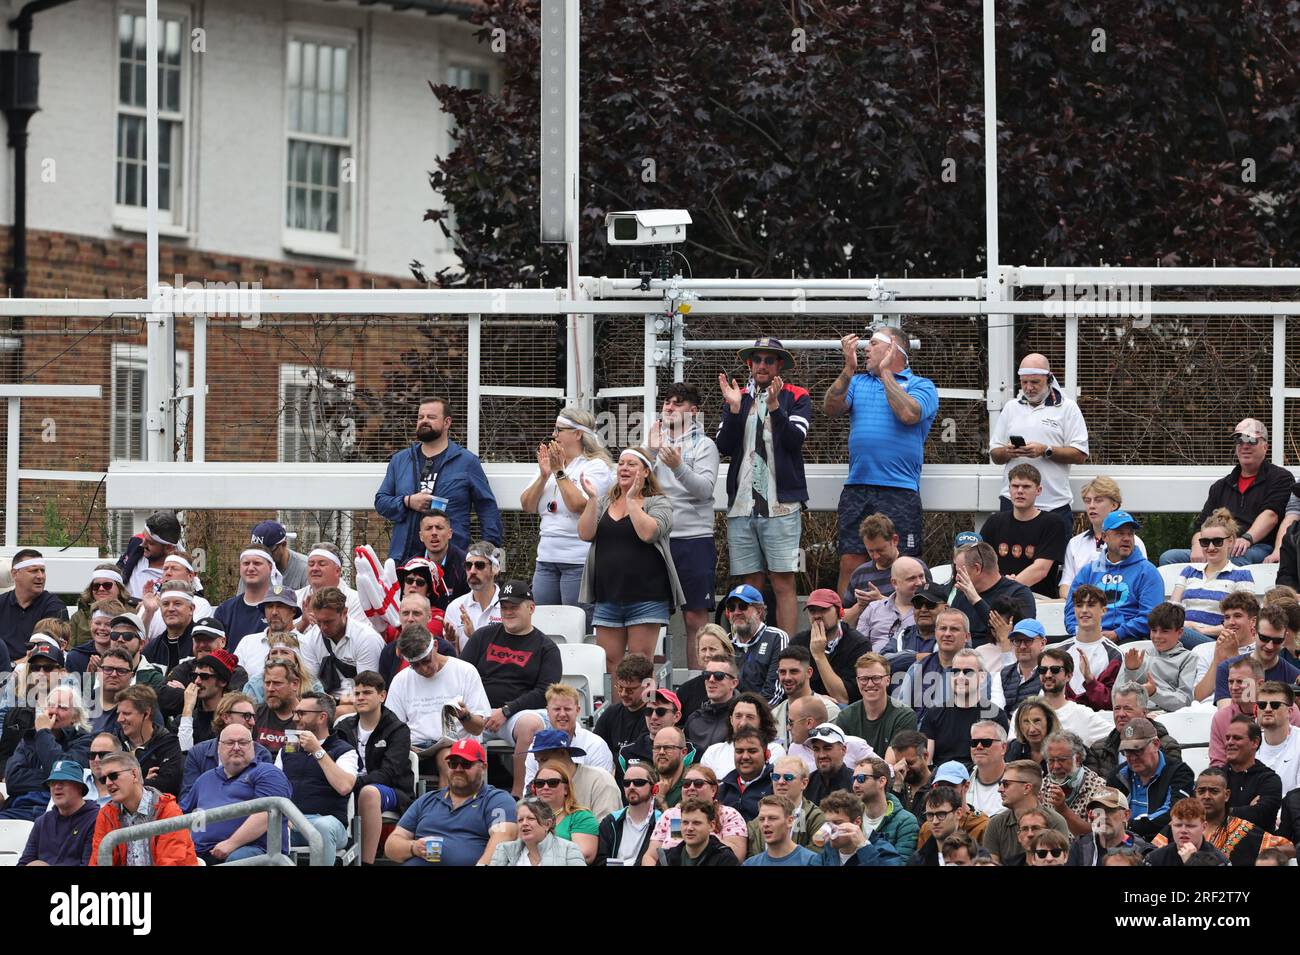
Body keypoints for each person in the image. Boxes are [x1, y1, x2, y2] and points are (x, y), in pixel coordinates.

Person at [824, 327, 937, 595]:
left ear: (893, 349)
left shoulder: (922, 386)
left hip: (899, 490)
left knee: (902, 564)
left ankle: (899, 625)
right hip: (858, 487)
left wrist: (886, 374)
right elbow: (830, 407)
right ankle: (846, 630)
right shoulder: (859, 382)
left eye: (873, 343)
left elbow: (909, 414)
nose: (865, 349)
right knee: (850, 561)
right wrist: (848, 369)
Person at [718, 336, 812, 637]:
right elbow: (724, 445)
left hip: (781, 505)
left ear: (779, 365)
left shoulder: (797, 395)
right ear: (750, 363)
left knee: (784, 581)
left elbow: (795, 441)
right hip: (742, 504)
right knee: (750, 584)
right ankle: (749, 645)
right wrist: (733, 411)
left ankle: (786, 649)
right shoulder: (738, 396)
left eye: (769, 360)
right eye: (757, 359)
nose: (762, 365)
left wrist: (773, 407)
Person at [578, 447, 685, 673]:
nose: (624, 468)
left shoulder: (659, 502)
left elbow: (648, 533)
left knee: (640, 663)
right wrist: (592, 499)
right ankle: (618, 710)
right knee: (611, 664)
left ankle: (644, 709)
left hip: (647, 597)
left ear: (646, 472)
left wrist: (632, 501)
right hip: (608, 596)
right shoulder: (605, 501)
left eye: (631, 464)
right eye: (621, 463)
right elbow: (585, 534)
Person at [374, 396, 504, 562]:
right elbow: (381, 502)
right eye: (420, 417)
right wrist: (407, 501)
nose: (424, 421)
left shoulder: (466, 462)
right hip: (405, 559)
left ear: (447, 422)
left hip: (451, 561)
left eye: (431, 417)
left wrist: (489, 553)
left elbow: (487, 507)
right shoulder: (400, 461)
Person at [460, 580, 558, 792]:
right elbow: (461, 675)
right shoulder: (483, 636)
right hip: (479, 712)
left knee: (530, 725)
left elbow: (545, 693)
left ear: (531, 608)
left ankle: (518, 796)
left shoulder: (546, 648)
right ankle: (462, 797)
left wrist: (506, 710)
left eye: (514, 606)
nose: (508, 612)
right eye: (504, 607)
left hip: (517, 714)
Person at [649, 382, 721, 667]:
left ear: (693, 412)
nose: (669, 407)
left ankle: (697, 686)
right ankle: (654, 692)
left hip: (694, 540)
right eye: (667, 402)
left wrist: (678, 466)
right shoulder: (652, 442)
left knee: (695, 618)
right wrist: (651, 454)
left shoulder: (705, 445)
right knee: (653, 618)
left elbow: (704, 489)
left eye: (677, 403)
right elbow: (633, 486)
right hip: (657, 540)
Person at [520, 406, 615, 624]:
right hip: (546, 557)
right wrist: (544, 476)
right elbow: (527, 505)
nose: (554, 435)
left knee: (576, 624)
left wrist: (559, 472)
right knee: (544, 624)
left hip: (577, 559)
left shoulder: (595, 466)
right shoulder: (551, 463)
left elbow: (578, 504)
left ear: (578, 434)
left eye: (559, 430)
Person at [1159, 418, 1292, 566]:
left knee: (1234, 558)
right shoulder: (1221, 486)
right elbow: (1201, 525)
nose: (1244, 446)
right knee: (1169, 558)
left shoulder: (1280, 478)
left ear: (1265, 447)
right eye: (1239, 440)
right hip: (1216, 546)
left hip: (1259, 547)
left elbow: (1271, 515)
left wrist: (1247, 538)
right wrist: (1197, 546)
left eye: (1251, 440)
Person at [989, 354, 1089, 537]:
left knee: (1055, 564)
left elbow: (1080, 454)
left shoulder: (1067, 408)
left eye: (1035, 382)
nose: (1029, 387)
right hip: (1013, 504)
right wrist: (1008, 451)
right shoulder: (1011, 407)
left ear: (1049, 378)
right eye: (1024, 382)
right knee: (1009, 563)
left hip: (1053, 504)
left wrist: (1046, 450)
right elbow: (994, 454)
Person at [384, 737, 518, 865]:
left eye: (466, 764)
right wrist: (413, 847)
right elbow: (392, 845)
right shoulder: (427, 800)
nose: (458, 769)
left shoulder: (496, 800)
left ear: (483, 768)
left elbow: (503, 839)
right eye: (453, 764)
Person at [332, 671, 414, 865]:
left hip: (393, 790)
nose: (360, 698)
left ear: (382, 696)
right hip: (351, 786)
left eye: (367, 692)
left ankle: (366, 861)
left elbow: (388, 773)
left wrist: (353, 783)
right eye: (357, 693)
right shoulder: (343, 726)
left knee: (368, 792)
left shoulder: (397, 729)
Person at [180, 722, 293, 863]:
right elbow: (181, 816)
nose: (236, 747)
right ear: (219, 748)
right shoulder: (204, 779)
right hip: (199, 853)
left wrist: (231, 844)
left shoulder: (268, 772)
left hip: (252, 852)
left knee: (238, 859)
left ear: (253, 746)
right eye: (230, 743)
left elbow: (267, 814)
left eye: (243, 742)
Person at [273, 691, 357, 860]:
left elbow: (344, 787)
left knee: (322, 827)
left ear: (322, 717)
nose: (295, 718)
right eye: (295, 712)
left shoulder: (344, 751)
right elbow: (274, 789)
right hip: (290, 822)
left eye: (302, 713)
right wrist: (285, 817)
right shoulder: (287, 750)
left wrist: (317, 751)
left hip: (327, 822)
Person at [1157, 766, 1292, 866]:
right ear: (1195, 794)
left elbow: (1289, 849)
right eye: (1201, 791)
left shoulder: (1243, 829)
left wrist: (1254, 855)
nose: (1207, 796)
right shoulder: (1176, 827)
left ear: (1226, 795)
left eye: (1214, 791)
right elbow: (1151, 852)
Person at [1065, 510, 1162, 643]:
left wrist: (1118, 633)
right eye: (1120, 533)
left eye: (1130, 534)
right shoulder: (1088, 571)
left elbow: (1151, 616)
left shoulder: (1147, 571)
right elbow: (1071, 609)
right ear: (1105, 537)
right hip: (1087, 637)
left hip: (1129, 639)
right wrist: (1078, 633)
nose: (1127, 538)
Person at [0, 683, 92, 820]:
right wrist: (52, 778)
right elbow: (13, 781)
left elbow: (65, 776)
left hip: (55, 814)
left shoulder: (85, 741)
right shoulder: (29, 739)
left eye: (62, 707)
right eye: (51, 705)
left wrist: (44, 732)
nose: (54, 711)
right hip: (17, 809)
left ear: (75, 717)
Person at [89, 752, 197, 866]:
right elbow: (98, 861)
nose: (108, 783)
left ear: (134, 774)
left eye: (113, 776)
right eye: (103, 779)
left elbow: (173, 861)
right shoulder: (106, 814)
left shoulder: (168, 810)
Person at [979, 464, 1069, 598]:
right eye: (1015, 486)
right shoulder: (995, 522)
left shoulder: (1053, 523)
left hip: (1037, 598)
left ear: (1039, 490)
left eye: (1026, 487)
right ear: (1009, 489)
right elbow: (981, 562)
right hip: (995, 596)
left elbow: (1041, 569)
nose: (1020, 491)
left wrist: (1006, 587)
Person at [1172, 509, 1256, 641]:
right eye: (1205, 542)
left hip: (1216, 640)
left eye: (1217, 541)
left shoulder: (1241, 575)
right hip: (1181, 634)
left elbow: (1242, 621)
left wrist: (1200, 630)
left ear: (1230, 541)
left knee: (1171, 633)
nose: (1210, 547)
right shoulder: (1188, 571)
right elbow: (1173, 611)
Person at [1059, 477, 1149, 597]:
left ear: (1114, 505)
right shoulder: (1075, 543)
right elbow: (1066, 585)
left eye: (1098, 500)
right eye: (1087, 501)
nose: (1091, 506)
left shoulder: (1133, 542)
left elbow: (1142, 583)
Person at [1106, 717, 1195, 839]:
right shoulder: (1117, 775)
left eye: (1138, 750)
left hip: (1161, 845)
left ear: (1156, 744)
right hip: (1124, 843)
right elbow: (1109, 814)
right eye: (1127, 751)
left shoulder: (1180, 773)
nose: (1132, 757)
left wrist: (1128, 825)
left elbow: (1175, 814)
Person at [919, 648, 1009, 767]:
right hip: (941, 778)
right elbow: (925, 761)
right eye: (955, 671)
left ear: (982, 677)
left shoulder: (996, 716)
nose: (960, 677)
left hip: (979, 777)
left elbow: (998, 760)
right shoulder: (933, 714)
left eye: (968, 672)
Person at [642, 764, 748, 864]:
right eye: (686, 784)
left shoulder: (729, 814)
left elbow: (736, 855)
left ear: (713, 789)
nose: (691, 788)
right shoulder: (671, 815)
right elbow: (650, 856)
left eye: (698, 783)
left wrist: (702, 835)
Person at [179, 693, 273, 802]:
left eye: (253, 716)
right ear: (226, 717)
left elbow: (262, 802)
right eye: (246, 716)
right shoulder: (197, 753)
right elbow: (187, 798)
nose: (252, 722)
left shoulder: (261, 754)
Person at [787, 588, 872, 705]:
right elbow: (787, 686)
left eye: (823, 610)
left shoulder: (858, 644)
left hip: (844, 711)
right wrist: (814, 698)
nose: (817, 616)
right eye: (812, 611)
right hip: (805, 706)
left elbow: (844, 698)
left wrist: (819, 655)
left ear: (840, 613)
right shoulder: (798, 642)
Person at [522, 684, 615, 788]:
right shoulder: (536, 746)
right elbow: (529, 791)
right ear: (547, 711)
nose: (562, 714)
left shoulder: (595, 745)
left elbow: (602, 789)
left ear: (578, 710)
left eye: (567, 709)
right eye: (557, 709)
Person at [298, 587, 385, 697]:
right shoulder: (310, 639)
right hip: (324, 703)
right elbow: (311, 684)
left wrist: (339, 705)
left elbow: (368, 691)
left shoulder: (367, 639)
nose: (323, 627)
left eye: (328, 621)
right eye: (319, 622)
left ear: (344, 612)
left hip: (359, 702)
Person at [1087, 683, 1184, 780]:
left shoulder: (1167, 746)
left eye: (1127, 708)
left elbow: (1172, 785)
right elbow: (1091, 790)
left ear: (1144, 713)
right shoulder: (1098, 749)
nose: (1120, 714)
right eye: (1117, 708)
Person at [1210, 599, 1300, 704]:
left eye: (1277, 641)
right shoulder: (1226, 668)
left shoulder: (1294, 676)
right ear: (1253, 632)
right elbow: (1226, 715)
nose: (1270, 646)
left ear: (1285, 638)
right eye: (1264, 638)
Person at [981, 760, 1070, 865]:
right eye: (1000, 784)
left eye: (1006, 784)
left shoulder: (1055, 821)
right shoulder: (996, 823)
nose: (1000, 789)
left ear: (1027, 788)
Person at [948, 543, 1035, 647]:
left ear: (977, 568)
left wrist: (976, 600)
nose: (957, 577)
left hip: (1000, 656)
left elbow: (1020, 637)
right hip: (962, 656)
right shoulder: (962, 593)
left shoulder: (1018, 593)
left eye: (959, 572)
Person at [17, 760, 99, 866]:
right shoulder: (42, 822)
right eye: (52, 783)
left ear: (79, 787)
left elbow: (89, 864)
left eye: (63, 782)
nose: (56, 787)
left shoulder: (96, 819)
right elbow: (23, 863)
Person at [526, 729, 620, 820]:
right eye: (538, 761)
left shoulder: (600, 779)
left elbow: (608, 830)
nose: (541, 767)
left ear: (562, 753)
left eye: (544, 760)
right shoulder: (541, 785)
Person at [835, 652, 917, 754]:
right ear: (857, 681)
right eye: (864, 679)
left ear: (888, 680)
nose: (869, 684)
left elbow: (895, 760)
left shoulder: (904, 716)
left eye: (876, 678)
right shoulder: (846, 716)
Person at [1120, 603, 1197, 712]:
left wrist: (1154, 693)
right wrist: (1131, 670)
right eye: (1154, 630)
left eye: (1164, 631)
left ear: (1180, 632)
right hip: (1135, 712)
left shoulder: (1188, 658)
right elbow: (1121, 695)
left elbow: (1185, 701)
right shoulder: (1139, 655)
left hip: (1168, 715)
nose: (1157, 636)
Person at [1057, 584, 1123, 709]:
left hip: (1099, 719)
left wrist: (1090, 680)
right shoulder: (1059, 651)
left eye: (1091, 605)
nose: (1084, 610)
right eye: (1079, 605)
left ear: (1103, 610)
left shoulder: (1114, 654)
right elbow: (1049, 695)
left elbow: (1112, 702)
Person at [747, 755, 827, 854]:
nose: (780, 782)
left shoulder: (817, 818)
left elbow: (817, 854)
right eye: (776, 777)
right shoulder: (756, 823)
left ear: (804, 783)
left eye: (788, 777)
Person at [1034, 648, 1114, 746]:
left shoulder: (1082, 714)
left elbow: (1115, 737)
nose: (1048, 675)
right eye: (1042, 670)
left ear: (1069, 676)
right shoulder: (1023, 712)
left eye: (1055, 670)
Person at [721, 584, 787, 702]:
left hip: (767, 714)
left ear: (759, 611)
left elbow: (774, 691)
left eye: (743, 606)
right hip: (731, 714)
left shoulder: (776, 637)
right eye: (731, 607)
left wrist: (753, 715)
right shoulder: (725, 642)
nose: (736, 612)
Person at [113, 685, 182, 797]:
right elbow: (104, 781)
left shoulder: (168, 744)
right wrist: (142, 781)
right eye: (119, 713)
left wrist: (128, 782)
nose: (119, 719)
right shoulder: (114, 741)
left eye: (126, 714)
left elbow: (167, 785)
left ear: (146, 713)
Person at [0, 549, 69, 660]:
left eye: (42, 570)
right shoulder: (2, 603)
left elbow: (48, 652)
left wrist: (13, 667)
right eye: (34, 571)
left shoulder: (54, 607)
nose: (40, 576)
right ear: (14, 574)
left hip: (37, 671)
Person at [232, 587, 303, 694]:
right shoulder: (248, 642)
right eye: (269, 606)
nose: (274, 612)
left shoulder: (305, 643)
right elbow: (235, 682)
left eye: (280, 606)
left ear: (293, 611)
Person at [851, 556, 928, 653]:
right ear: (894, 583)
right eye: (912, 578)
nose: (919, 582)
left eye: (921, 576)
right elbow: (858, 648)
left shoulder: (929, 611)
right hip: (873, 664)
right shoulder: (873, 609)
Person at [528, 759, 600, 863]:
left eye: (553, 783)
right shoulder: (526, 817)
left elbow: (583, 854)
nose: (545, 787)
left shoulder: (581, 817)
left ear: (566, 789)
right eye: (540, 783)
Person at [1042, 730, 1110, 835]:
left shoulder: (1099, 788)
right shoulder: (1043, 786)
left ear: (1077, 759)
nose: (1056, 766)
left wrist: (1063, 809)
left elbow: (1098, 833)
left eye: (1062, 760)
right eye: (1051, 761)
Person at [1221, 715, 1283, 830]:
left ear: (1255, 742)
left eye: (1237, 738)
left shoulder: (1269, 779)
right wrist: (1247, 810)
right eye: (1228, 738)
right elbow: (1198, 812)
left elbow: (1260, 815)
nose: (1229, 742)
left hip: (1257, 846)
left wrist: (1220, 811)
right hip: (1215, 845)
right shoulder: (1215, 776)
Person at [771, 645, 841, 747]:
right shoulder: (774, 715)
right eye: (782, 672)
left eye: (794, 671)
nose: (787, 677)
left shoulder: (828, 710)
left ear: (809, 672)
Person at [852, 755, 920, 859]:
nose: (855, 784)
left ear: (882, 781)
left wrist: (863, 846)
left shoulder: (906, 822)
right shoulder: (850, 815)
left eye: (861, 778)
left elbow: (902, 863)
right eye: (854, 779)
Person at [701, 692, 783, 778]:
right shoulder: (713, 752)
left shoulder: (774, 750)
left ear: (761, 721)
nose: (743, 723)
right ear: (731, 720)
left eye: (750, 717)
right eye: (738, 716)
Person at [593, 653, 654, 766]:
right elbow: (596, 748)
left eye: (630, 690)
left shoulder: (654, 716)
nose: (623, 694)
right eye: (620, 688)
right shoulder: (611, 713)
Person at [488, 796, 587, 866]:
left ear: (547, 824)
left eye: (531, 818)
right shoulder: (503, 850)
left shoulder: (569, 849)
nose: (524, 823)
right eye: (520, 820)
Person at [596, 761, 662, 866]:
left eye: (638, 782)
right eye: (626, 783)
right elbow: (600, 861)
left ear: (654, 788)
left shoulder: (664, 822)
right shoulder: (610, 821)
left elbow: (671, 858)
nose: (631, 786)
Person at [1065, 787, 1152, 865]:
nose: (1103, 816)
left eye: (1110, 810)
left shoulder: (1143, 852)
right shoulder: (1081, 846)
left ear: (1126, 815)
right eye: (1097, 811)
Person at [443, 541, 505, 650]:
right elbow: (453, 660)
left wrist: (473, 637)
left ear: (495, 569)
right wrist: (452, 643)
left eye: (479, 565)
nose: (472, 571)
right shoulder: (455, 607)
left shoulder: (508, 607)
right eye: (468, 565)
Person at [141, 552, 212, 641]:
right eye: (165, 569)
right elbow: (140, 643)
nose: (168, 573)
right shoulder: (150, 602)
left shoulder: (200, 604)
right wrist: (149, 612)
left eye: (174, 569)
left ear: (190, 576)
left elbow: (195, 640)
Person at [295, 542, 368, 628]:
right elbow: (283, 636)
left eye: (322, 564)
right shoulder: (295, 597)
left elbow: (357, 635)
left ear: (337, 571)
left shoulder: (356, 601)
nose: (314, 568)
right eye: (311, 564)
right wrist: (303, 623)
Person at [175, 651, 239, 750]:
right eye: (194, 676)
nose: (197, 681)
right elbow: (182, 756)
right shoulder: (183, 719)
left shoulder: (232, 720)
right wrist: (187, 709)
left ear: (222, 681)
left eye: (204, 677)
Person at [214, 547, 277, 643]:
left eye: (257, 563)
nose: (251, 568)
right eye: (246, 563)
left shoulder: (279, 609)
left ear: (270, 567)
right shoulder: (225, 610)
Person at [114, 510, 181, 599]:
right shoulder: (135, 543)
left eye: (150, 543)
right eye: (143, 536)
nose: (142, 544)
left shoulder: (179, 573)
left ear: (168, 547)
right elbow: (118, 570)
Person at [1143, 797, 1230, 865]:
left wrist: (1192, 862)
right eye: (1178, 825)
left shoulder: (1220, 861)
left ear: (1203, 827)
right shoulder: (1155, 859)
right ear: (1171, 825)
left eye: (1190, 826)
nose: (1183, 830)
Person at [675, 626, 734, 722]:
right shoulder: (685, 691)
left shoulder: (740, 687)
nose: (707, 655)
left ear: (726, 651)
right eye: (703, 649)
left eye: (712, 649)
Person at [657, 798, 741, 866]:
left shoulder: (725, 860)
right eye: (685, 822)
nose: (689, 828)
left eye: (696, 823)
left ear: (711, 826)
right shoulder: (666, 859)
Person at [909, 784, 977, 865]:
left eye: (941, 814)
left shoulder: (977, 857)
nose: (935, 821)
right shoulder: (918, 860)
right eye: (930, 815)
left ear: (958, 813)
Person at [743, 793, 820, 865]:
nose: (765, 824)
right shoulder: (750, 864)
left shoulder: (811, 861)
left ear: (790, 821)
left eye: (772, 818)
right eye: (761, 819)